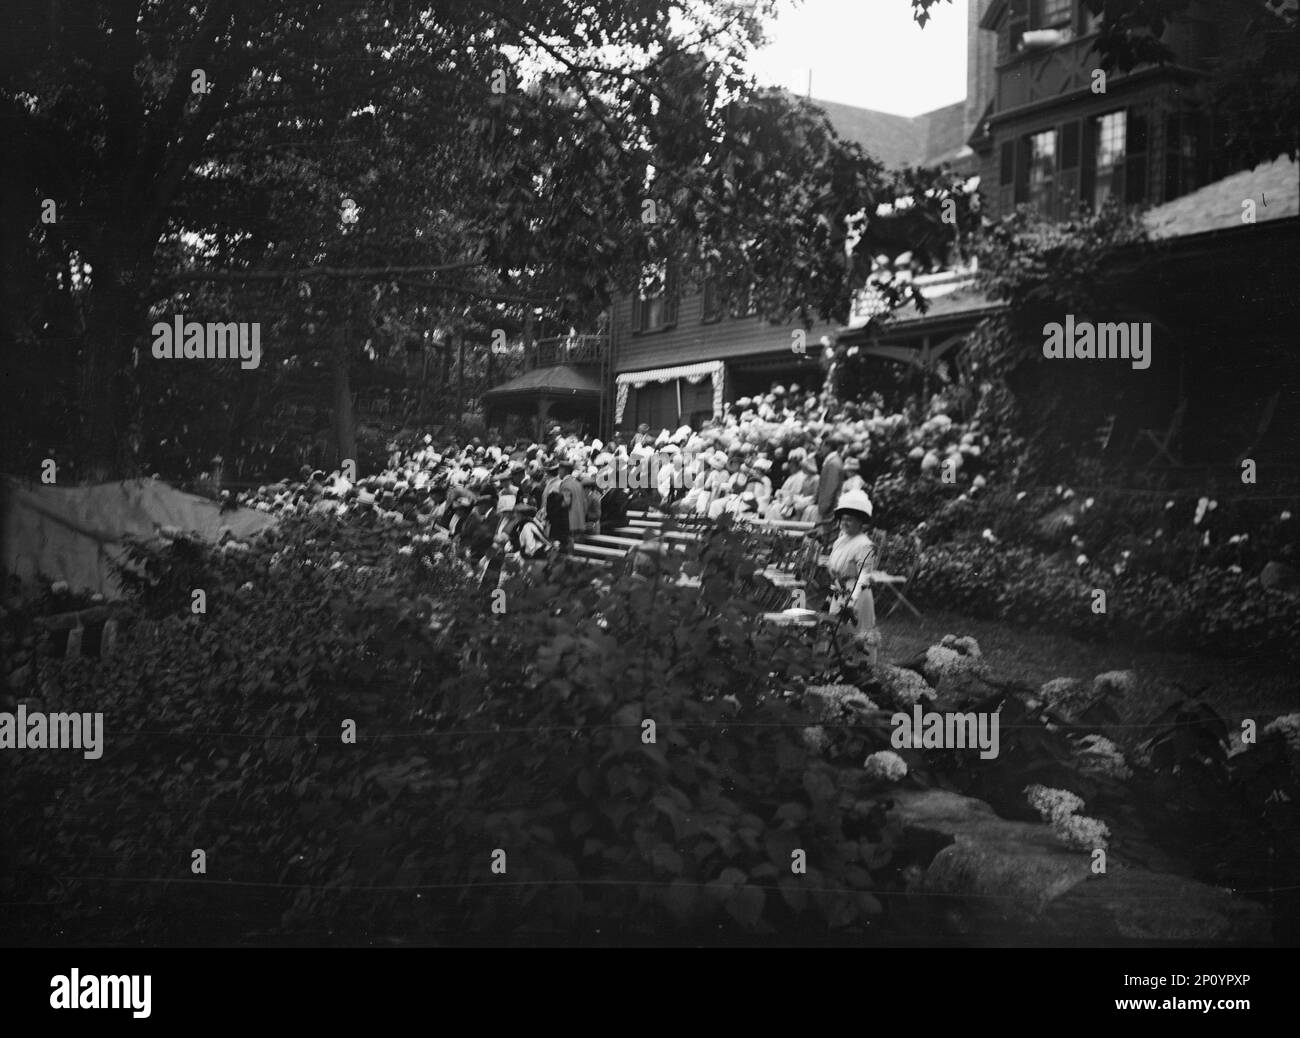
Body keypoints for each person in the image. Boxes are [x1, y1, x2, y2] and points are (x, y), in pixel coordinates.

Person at [825, 489, 879, 665]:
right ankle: (836, 668)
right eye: (843, 519)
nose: (845, 523)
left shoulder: (865, 545)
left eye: (850, 519)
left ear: (860, 522)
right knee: (836, 632)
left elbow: (864, 575)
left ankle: (859, 670)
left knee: (855, 635)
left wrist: (851, 600)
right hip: (839, 592)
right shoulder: (841, 540)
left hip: (856, 596)